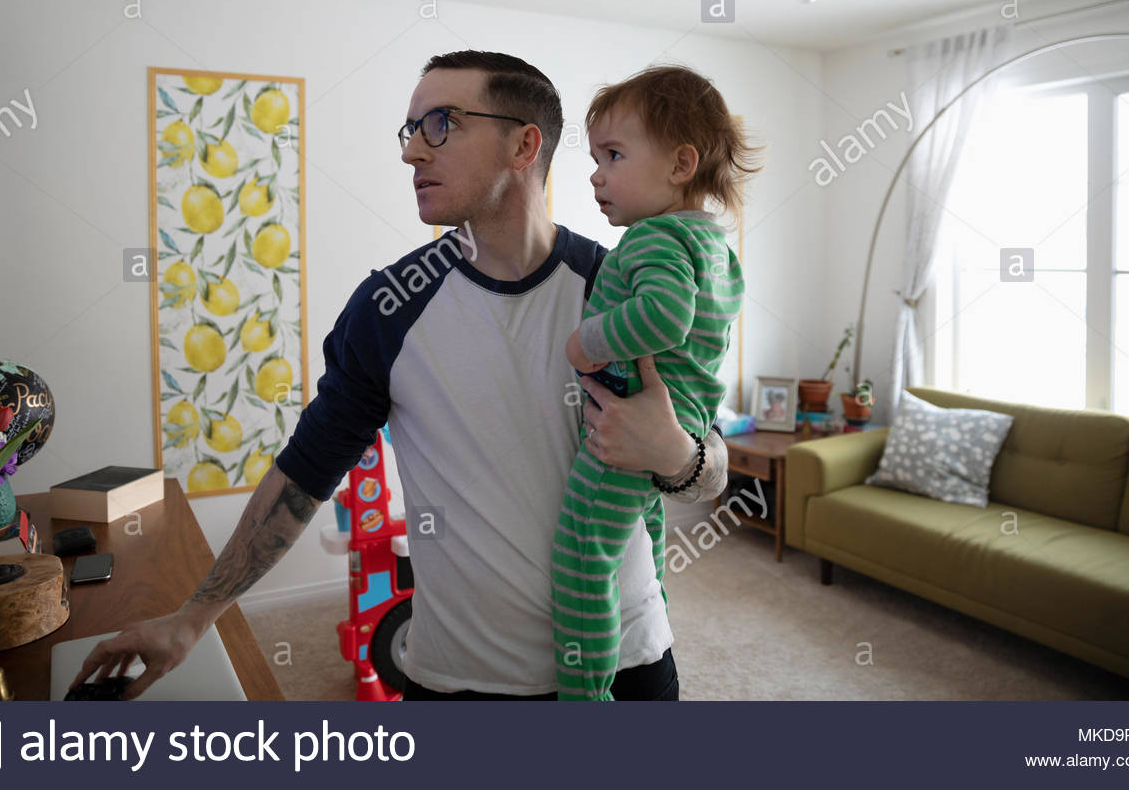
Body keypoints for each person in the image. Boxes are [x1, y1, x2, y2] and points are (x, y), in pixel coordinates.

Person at [71, 51, 729, 700]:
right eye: (409, 130)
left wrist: (676, 452)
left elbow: (710, 461)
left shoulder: (621, 288)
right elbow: (304, 475)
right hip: (460, 683)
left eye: (440, 123)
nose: (412, 151)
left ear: (523, 145)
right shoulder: (387, 310)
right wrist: (192, 618)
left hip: (628, 667)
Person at [556, 66, 757, 700]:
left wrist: (584, 343)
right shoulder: (710, 244)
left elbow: (666, 317)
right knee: (643, 539)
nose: (595, 174)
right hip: (684, 421)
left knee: (583, 558)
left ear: (680, 165)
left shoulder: (654, 239)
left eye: (613, 155)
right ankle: (654, 626)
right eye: (594, 158)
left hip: (628, 439)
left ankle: (584, 696)